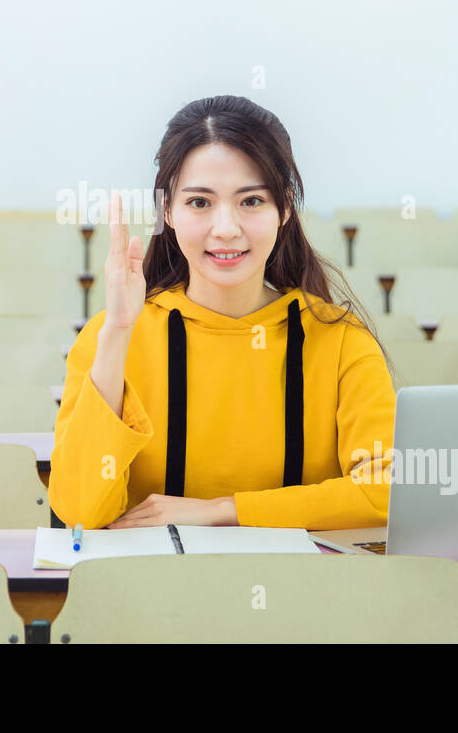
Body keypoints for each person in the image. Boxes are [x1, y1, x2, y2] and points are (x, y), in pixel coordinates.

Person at [48, 95, 396, 531]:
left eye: (251, 201)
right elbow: (79, 512)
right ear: (167, 212)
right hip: (149, 592)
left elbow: (386, 492)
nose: (227, 228)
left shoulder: (341, 340)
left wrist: (220, 511)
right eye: (199, 202)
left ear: (285, 208)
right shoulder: (111, 336)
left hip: (304, 592)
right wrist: (117, 332)